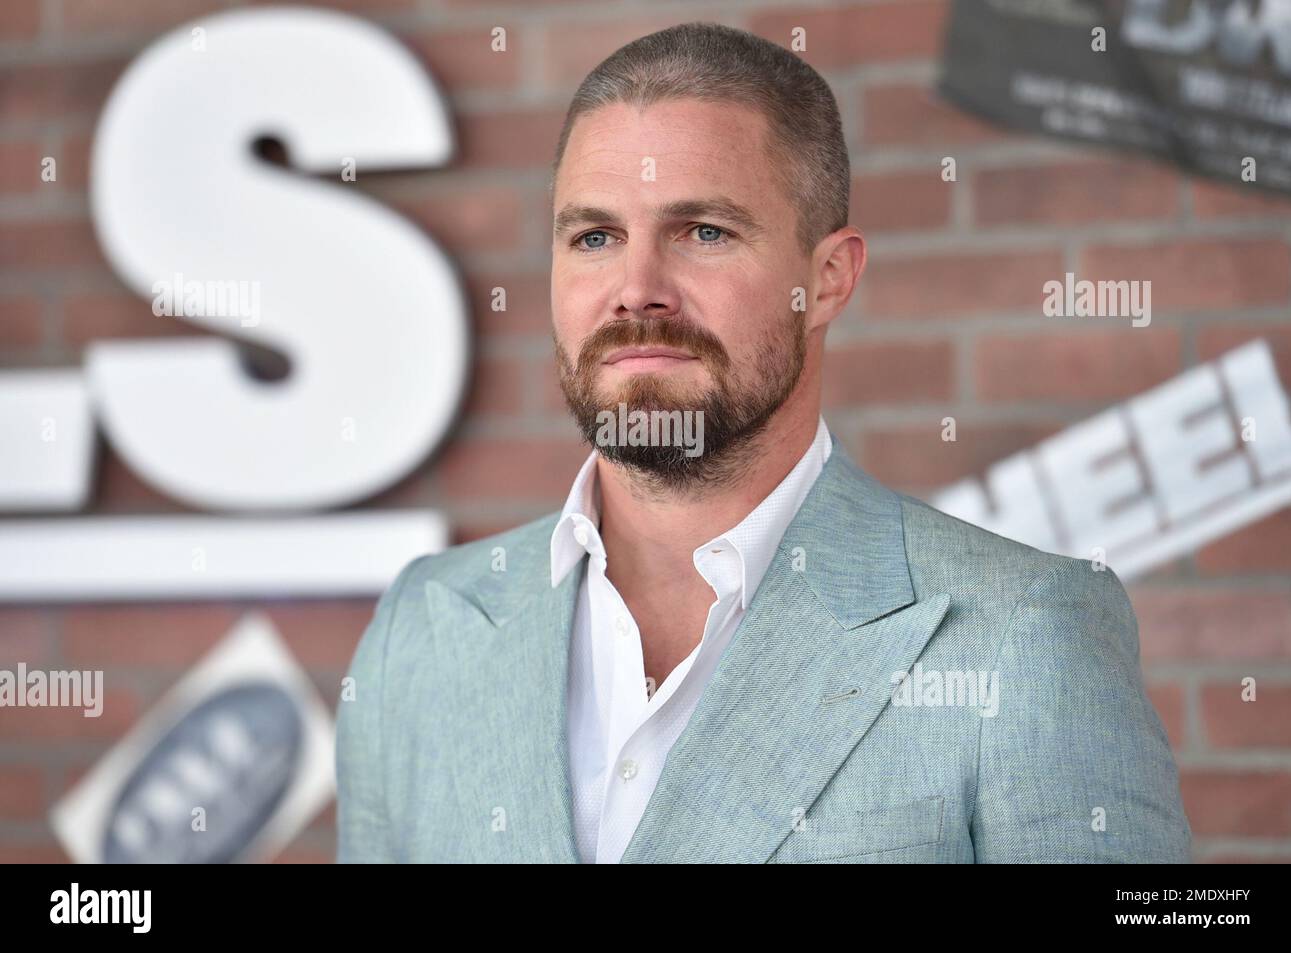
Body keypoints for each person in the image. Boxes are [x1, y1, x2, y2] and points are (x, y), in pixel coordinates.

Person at [337, 21, 1191, 863]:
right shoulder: (424, 628)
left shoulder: (1021, 635)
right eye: (595, 237)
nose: (638, 291)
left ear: (827, 279)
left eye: (703, 231)